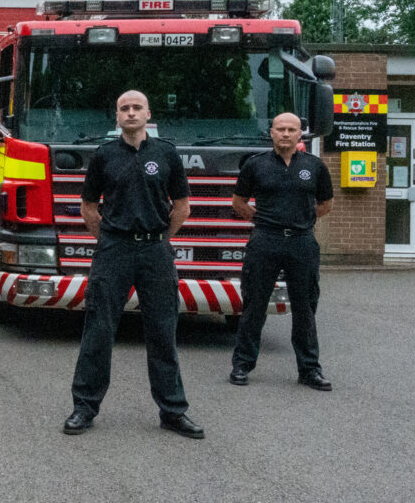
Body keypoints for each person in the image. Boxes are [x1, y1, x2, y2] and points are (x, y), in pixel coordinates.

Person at [64, 90, 202, 439]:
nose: (130, 113)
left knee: (162, 332)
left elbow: (182, 206)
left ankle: (173, 411)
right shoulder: (104, 156)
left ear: (148, 113)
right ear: (116, 116)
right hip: (114, 251)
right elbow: (89, 208)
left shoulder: (167, 153)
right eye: (123, 108)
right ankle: (84, 407)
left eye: (136, 107)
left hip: (156, 252)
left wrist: (159, 238)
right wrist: (111, 240)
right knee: (98, 330)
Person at [229, 111, 335, 390]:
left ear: (300, 134)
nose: (285, 134)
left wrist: (301, 220)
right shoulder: (255, 165)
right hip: (265, 241)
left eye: (291, 129)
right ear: (271, 133)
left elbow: (325, 204)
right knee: (254, 305)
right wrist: (262, 222)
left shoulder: (314, 166)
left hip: (302, 242)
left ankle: (309, 370)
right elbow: (238, 202)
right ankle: (242, 365)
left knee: (305, 307)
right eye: (280, 129)